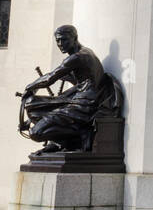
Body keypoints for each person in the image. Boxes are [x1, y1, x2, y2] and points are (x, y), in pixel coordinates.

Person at [18, 25, 119, 157]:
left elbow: (50, 78)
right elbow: (81, 79)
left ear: (75, 38)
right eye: (58, 41)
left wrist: (29, 87)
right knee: (32, 103)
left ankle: (79, 134)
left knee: (35, 133)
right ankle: (65, 139)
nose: (60, 44)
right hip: (78, 97)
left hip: (84, 105)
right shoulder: (87, 52)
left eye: (64, 40)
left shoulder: (77, 57)